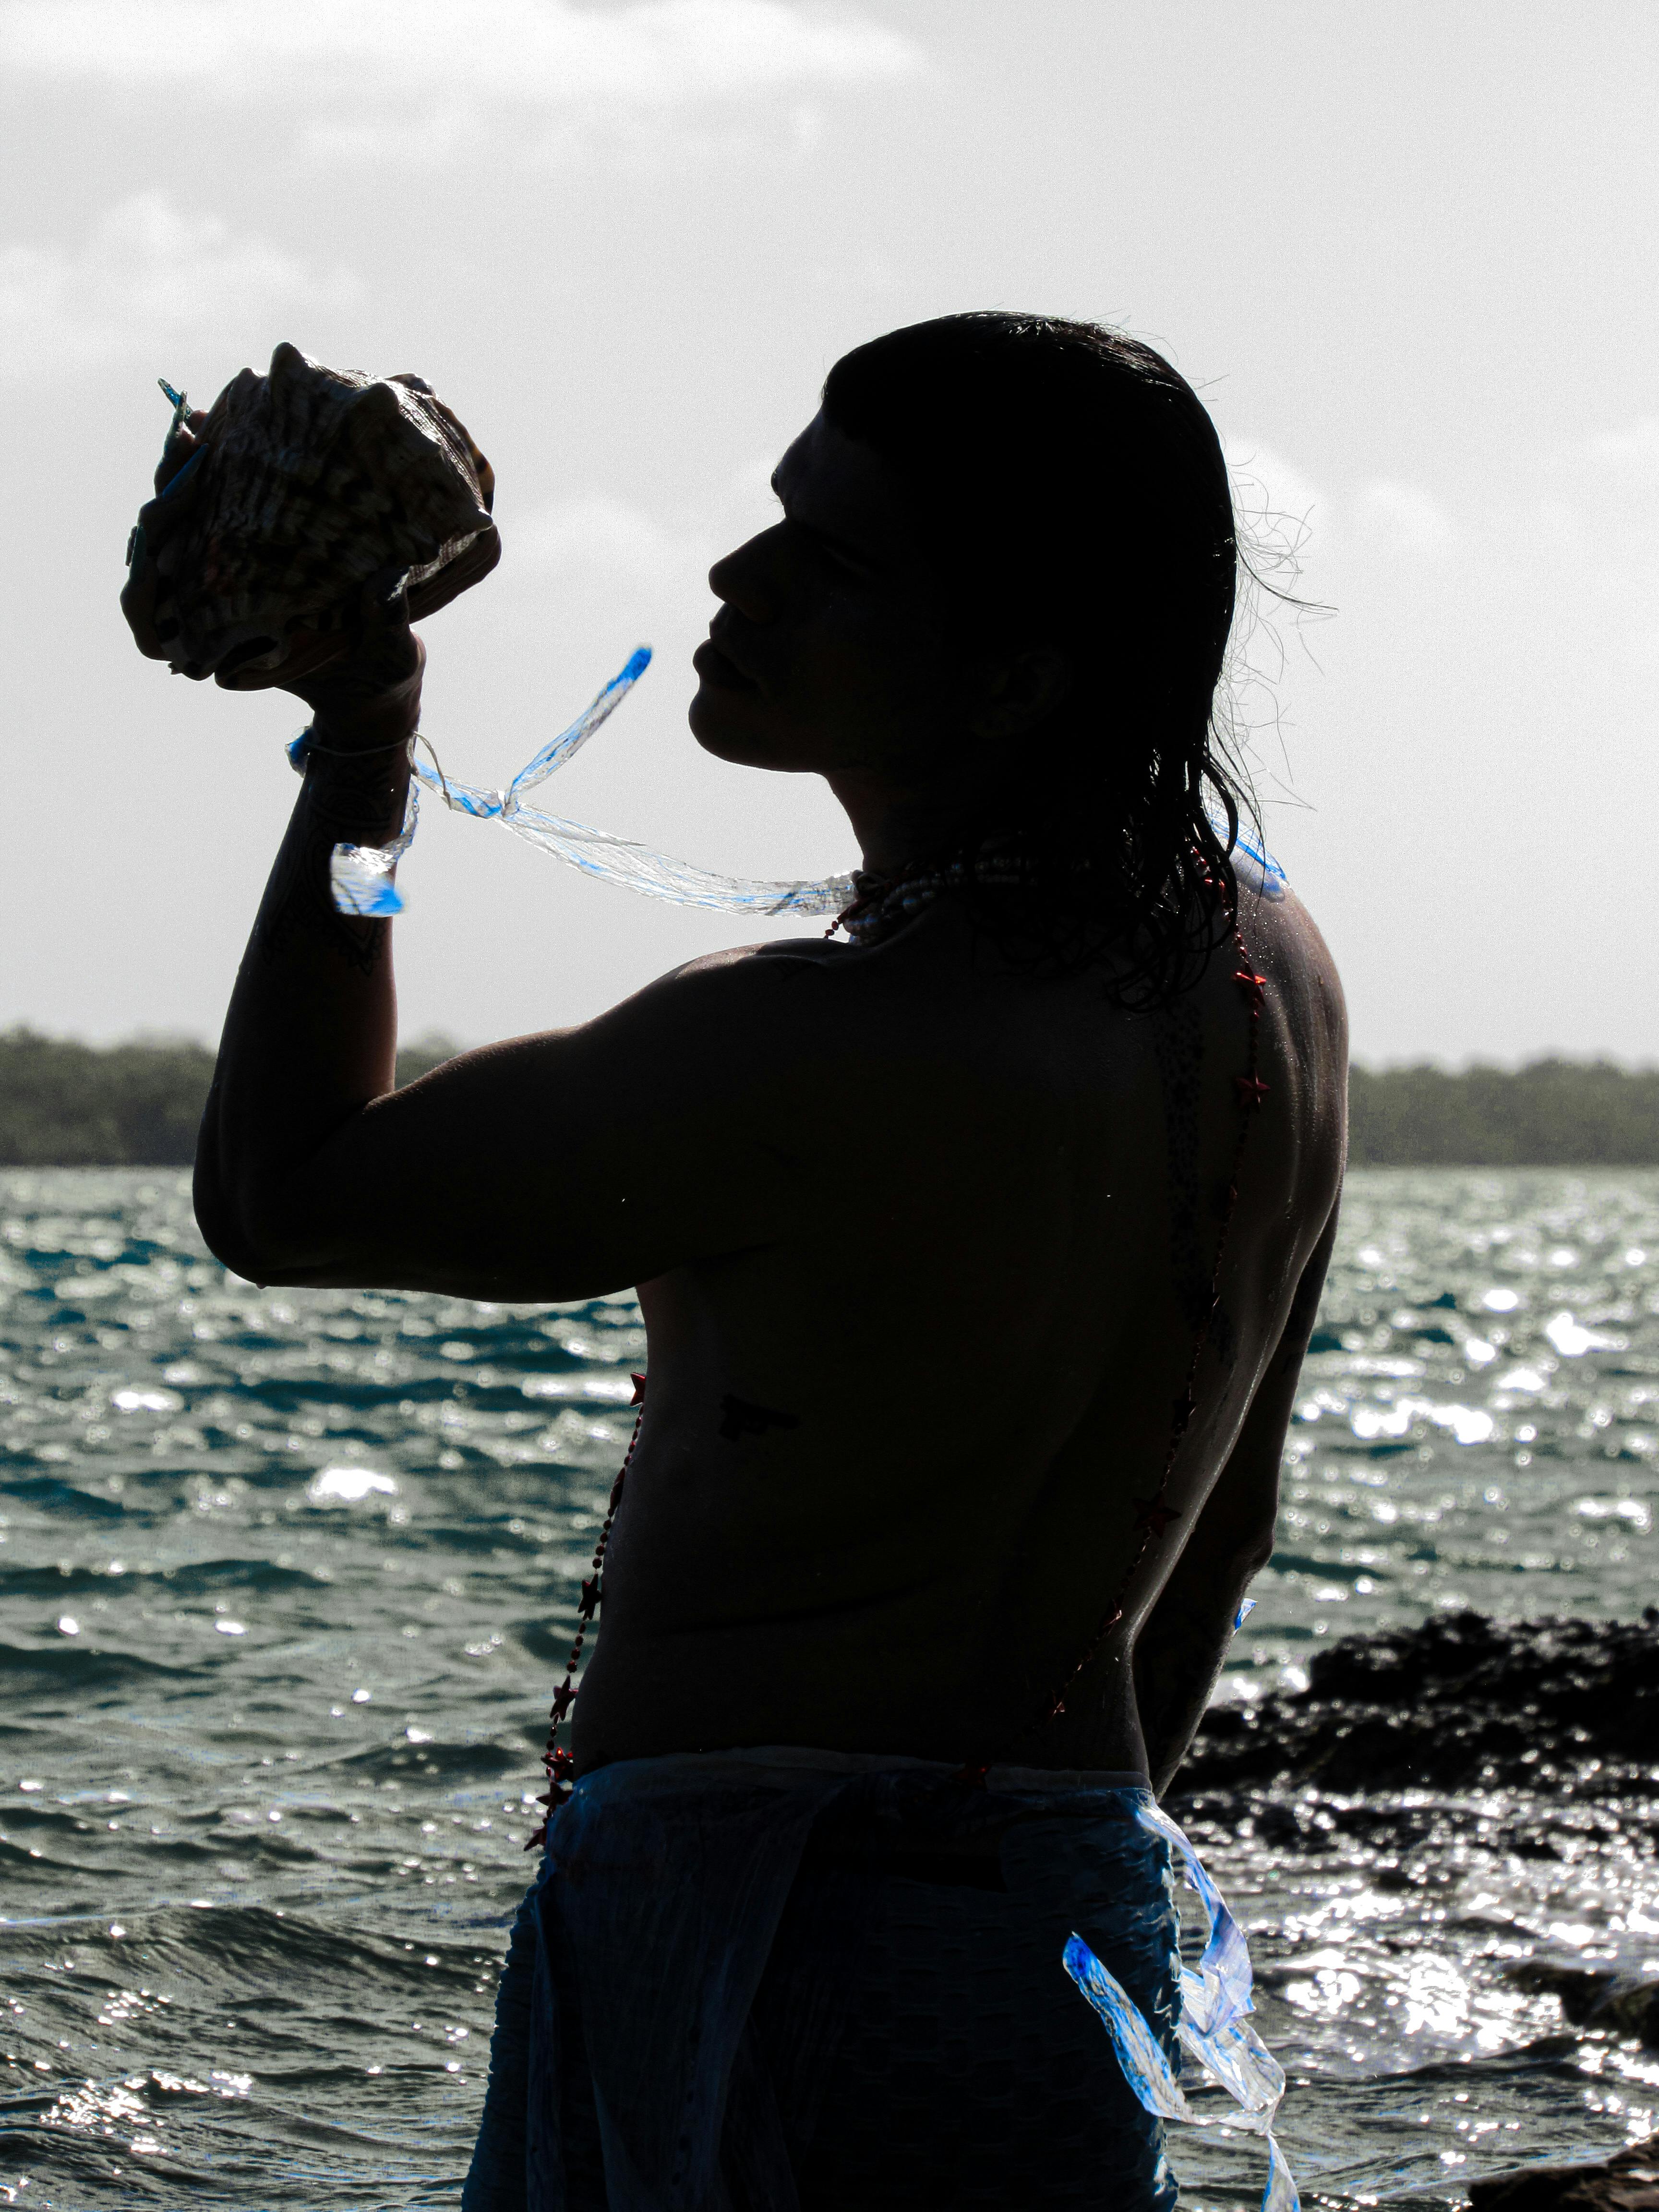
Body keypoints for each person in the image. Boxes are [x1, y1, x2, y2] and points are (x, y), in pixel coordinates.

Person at [131, 313, 1346, 2210]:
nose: (736, 575)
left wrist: (363, 755)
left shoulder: (819, 1042)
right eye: (776, 519)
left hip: (758, 1943)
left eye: (831, 560)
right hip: (1066, 1918)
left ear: (1017, 676)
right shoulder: (1273, 981)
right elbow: (1232, 1525)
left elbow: (281, 1195)